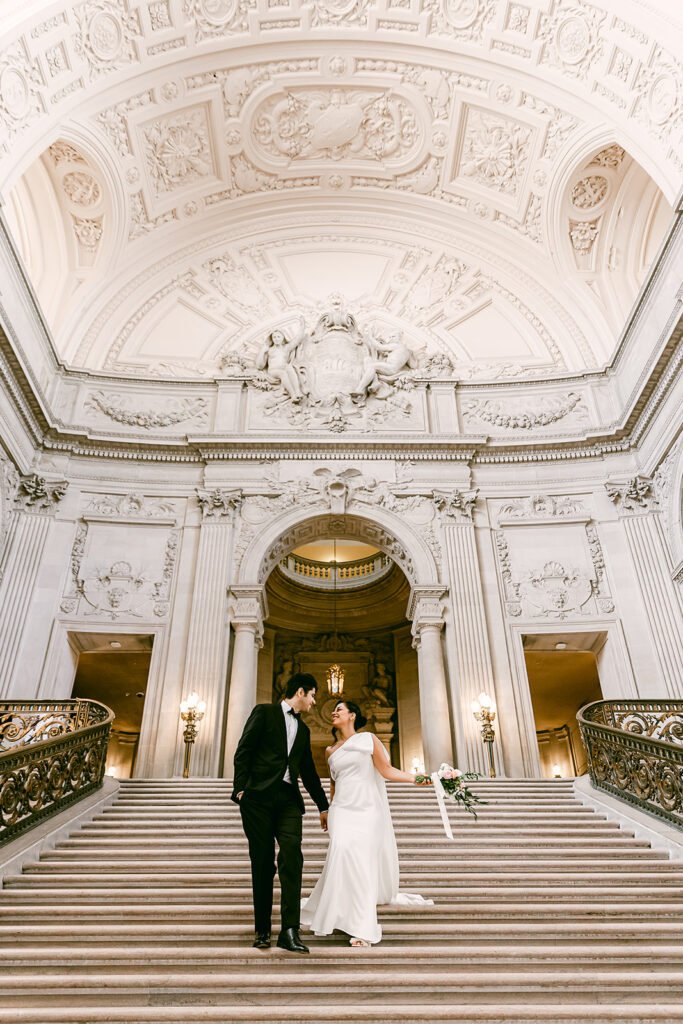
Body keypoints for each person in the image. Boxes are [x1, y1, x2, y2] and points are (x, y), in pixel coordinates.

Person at [301, 699, 433, 947]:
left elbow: (387, 770)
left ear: (352, 715)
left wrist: (418, 779)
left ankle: (361, 927)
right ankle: (343, 912)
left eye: (339, 709)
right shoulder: (330, 750)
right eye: (334, 709)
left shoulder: (369, 739)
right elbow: (334, 782)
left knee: (360, 862)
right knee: (341, 853)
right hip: (342, 810)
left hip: (367, 809)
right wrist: (327, 810)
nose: (334, 712)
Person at [232, 673, 329, 954]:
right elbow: (244, 750)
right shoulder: (264, 712)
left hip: (288, 800)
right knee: (262, 862)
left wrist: (323, 806)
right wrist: (240, 789)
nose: (313, 702)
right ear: (300, 692)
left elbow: (308, 772)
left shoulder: (304, 730)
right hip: (258, 798)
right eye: (312, 696)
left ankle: (290, 930)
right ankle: (263, 930)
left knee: (292, 857)